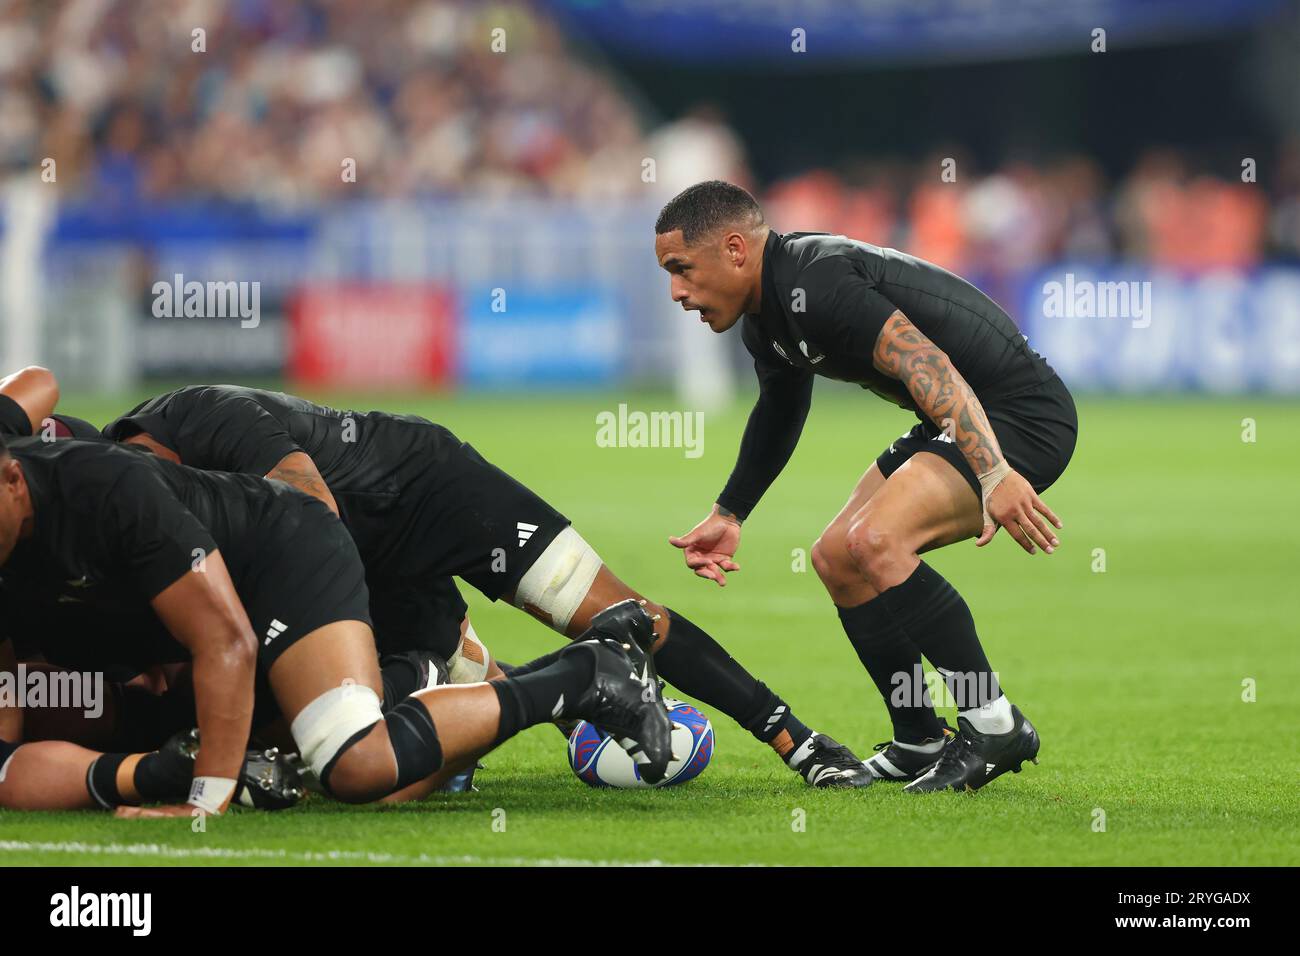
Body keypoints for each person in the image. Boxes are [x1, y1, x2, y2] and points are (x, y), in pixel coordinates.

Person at [100, 384, 873, 787]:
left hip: (431, 492)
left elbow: (313, 514)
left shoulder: (202, 416)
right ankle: (548, 690)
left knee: (617, 612)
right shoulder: (132, 515)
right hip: (353, 571)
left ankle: (798, 740)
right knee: (375, 770)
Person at [655, 181, 1078, 792]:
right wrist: (731, 512)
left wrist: (994, 472)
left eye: (682, 269)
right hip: (955, 415)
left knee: (876, 540)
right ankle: (918, 737)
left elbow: (926, 365)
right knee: (836, 558)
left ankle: (994, 722)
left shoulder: (817, 280)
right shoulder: (767, 316)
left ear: (736, 249)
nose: (677, 291)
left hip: (1018, 416)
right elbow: (780, 410)